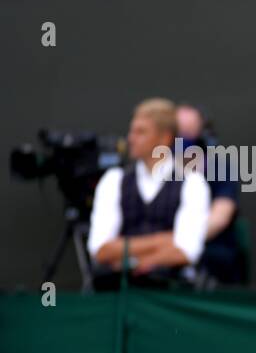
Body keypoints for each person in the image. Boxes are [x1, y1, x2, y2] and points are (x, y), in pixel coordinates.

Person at [87, 98, 210, 288]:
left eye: (141, 132)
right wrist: (164, 241)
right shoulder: (113, 179)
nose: (131, 138)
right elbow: (100, 249)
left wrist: (127, 258)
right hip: (119, 293)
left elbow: (187, 252)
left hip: (171, 296)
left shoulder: (193, 183)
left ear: (165, 138)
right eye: (132, 131)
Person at [177, 103, 246, 285]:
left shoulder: (219, 168)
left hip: (212, 254)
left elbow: (220, 217)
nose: (182, 141)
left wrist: (182, 244)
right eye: (177, 133)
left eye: (188, 133)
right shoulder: (160, 170)